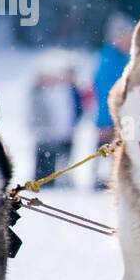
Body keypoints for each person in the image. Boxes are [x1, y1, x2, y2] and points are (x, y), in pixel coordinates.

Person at [93, 13, 133, 188]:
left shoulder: (127, 57)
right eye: (126, 36)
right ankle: (103, 180)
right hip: (113, 117)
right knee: (109, 151)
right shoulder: (109, 60)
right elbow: (105, 94)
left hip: (129, 115)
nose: (129, 39)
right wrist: (105, 121)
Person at [30, 59, 84, 188]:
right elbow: (39, 111)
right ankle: (44, 180)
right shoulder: (40, 91)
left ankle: (60, 180)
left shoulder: (68, 91)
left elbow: (73, 110)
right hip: (45, 130)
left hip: (65, 130)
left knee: (63, 156)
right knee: (44, 156)